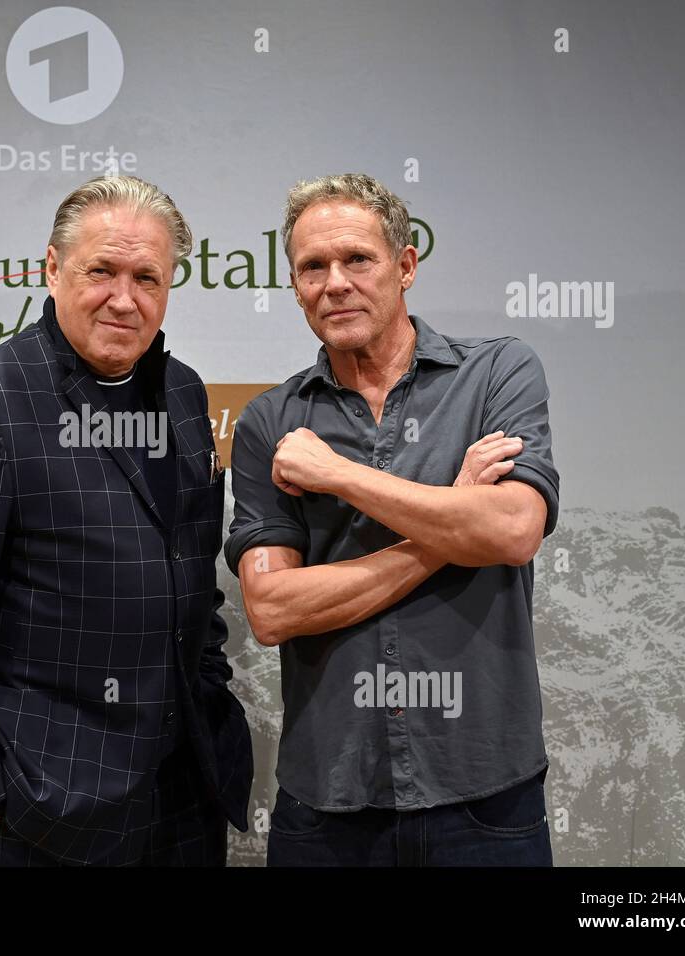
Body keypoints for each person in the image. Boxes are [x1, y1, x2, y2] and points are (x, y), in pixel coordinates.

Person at [0, 175, 253, 866]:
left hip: (184, 799)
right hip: (45, 811)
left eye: (148, 277)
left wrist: (207, 692)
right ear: (52, 269)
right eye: (101, 271)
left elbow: (193, 578)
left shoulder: (183, 392)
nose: (124, 298)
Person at [226, 172, 559, 866]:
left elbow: (512, 531)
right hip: (329, 808)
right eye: (312, 267)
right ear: (293, 285)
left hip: (485, 798)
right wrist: (451, 523)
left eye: (357, 259)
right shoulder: (269, 424)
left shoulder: (498, 374)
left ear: (405, 267)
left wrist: (337, 475)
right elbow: (272, 610)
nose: (335, 283)